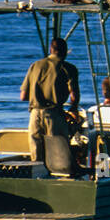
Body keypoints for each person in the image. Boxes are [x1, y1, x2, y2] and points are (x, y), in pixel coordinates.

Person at [20, 37, 80, 173]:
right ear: (64, 52)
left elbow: (23, 96)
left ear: (51, 50)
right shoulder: (68, 68)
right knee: (57, 155)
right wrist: (73, 108)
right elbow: (74, 96)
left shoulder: (35, 65)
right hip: (54, 115)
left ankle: (38, 178)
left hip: (34, 114)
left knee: (36, 154)